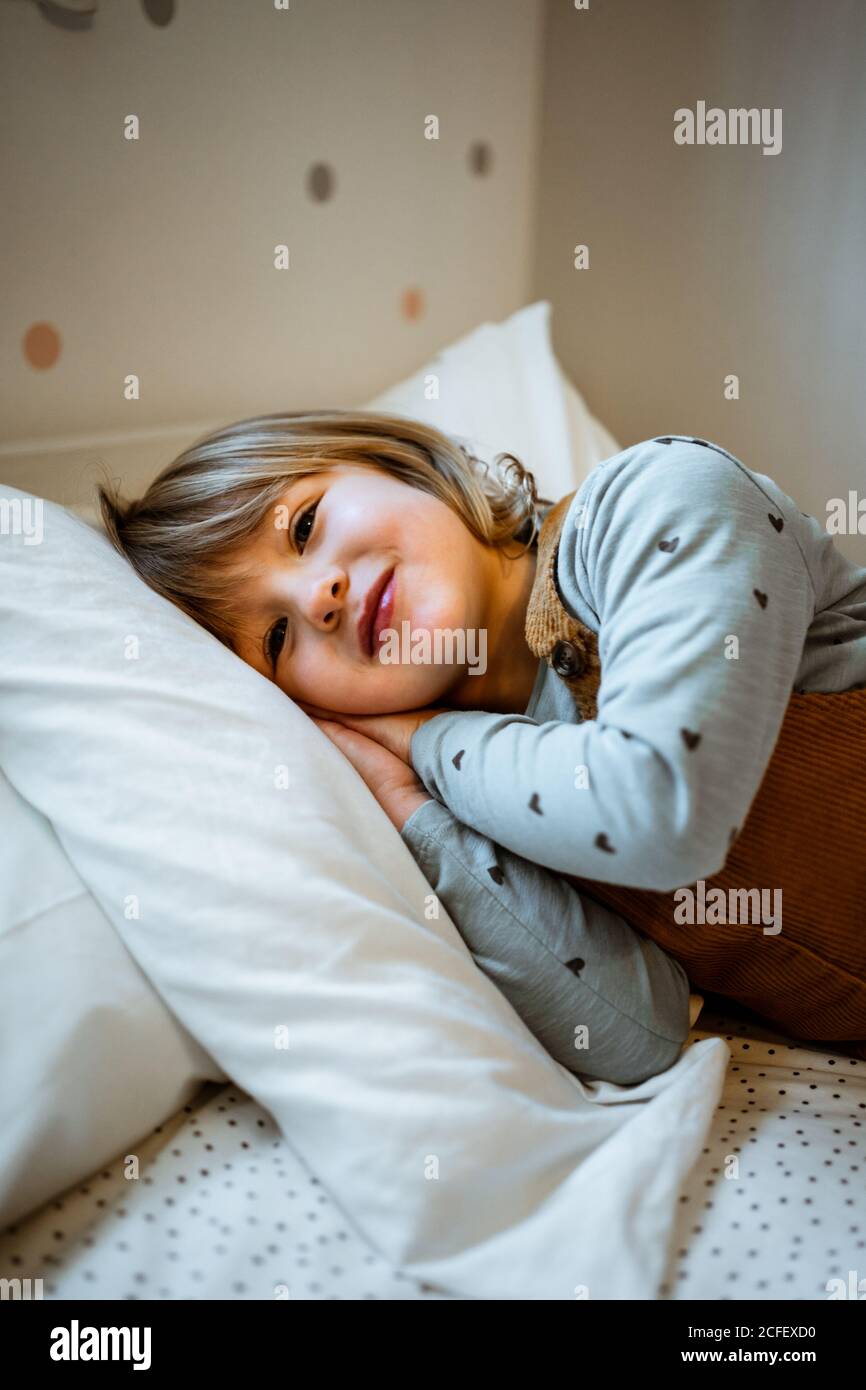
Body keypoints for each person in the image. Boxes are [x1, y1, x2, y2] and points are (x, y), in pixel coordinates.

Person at [96, 411, 866, 1084]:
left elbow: (661, 809)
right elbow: (634, 1032)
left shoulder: (658, 498)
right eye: (274, 638)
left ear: (398, 462)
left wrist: (427, 742)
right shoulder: (488, 802)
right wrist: (407, 806)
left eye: (301, 526)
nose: (316, 598)